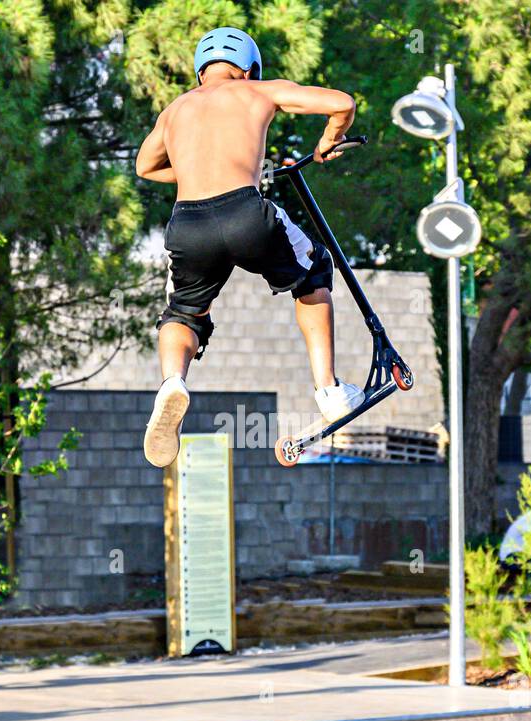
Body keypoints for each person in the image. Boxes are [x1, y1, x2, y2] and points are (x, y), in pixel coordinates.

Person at [135, 26, 365, 468]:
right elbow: (342, 103)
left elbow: (145, 166)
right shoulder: (259, 91)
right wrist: (327, 140)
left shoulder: (176, 109)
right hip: (244, 212)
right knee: (313, 269)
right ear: (247, 68)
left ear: (201, 70)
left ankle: (171, 384)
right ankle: (330, 390)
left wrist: (190, 169)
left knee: (183, 313)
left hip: (187, 224)